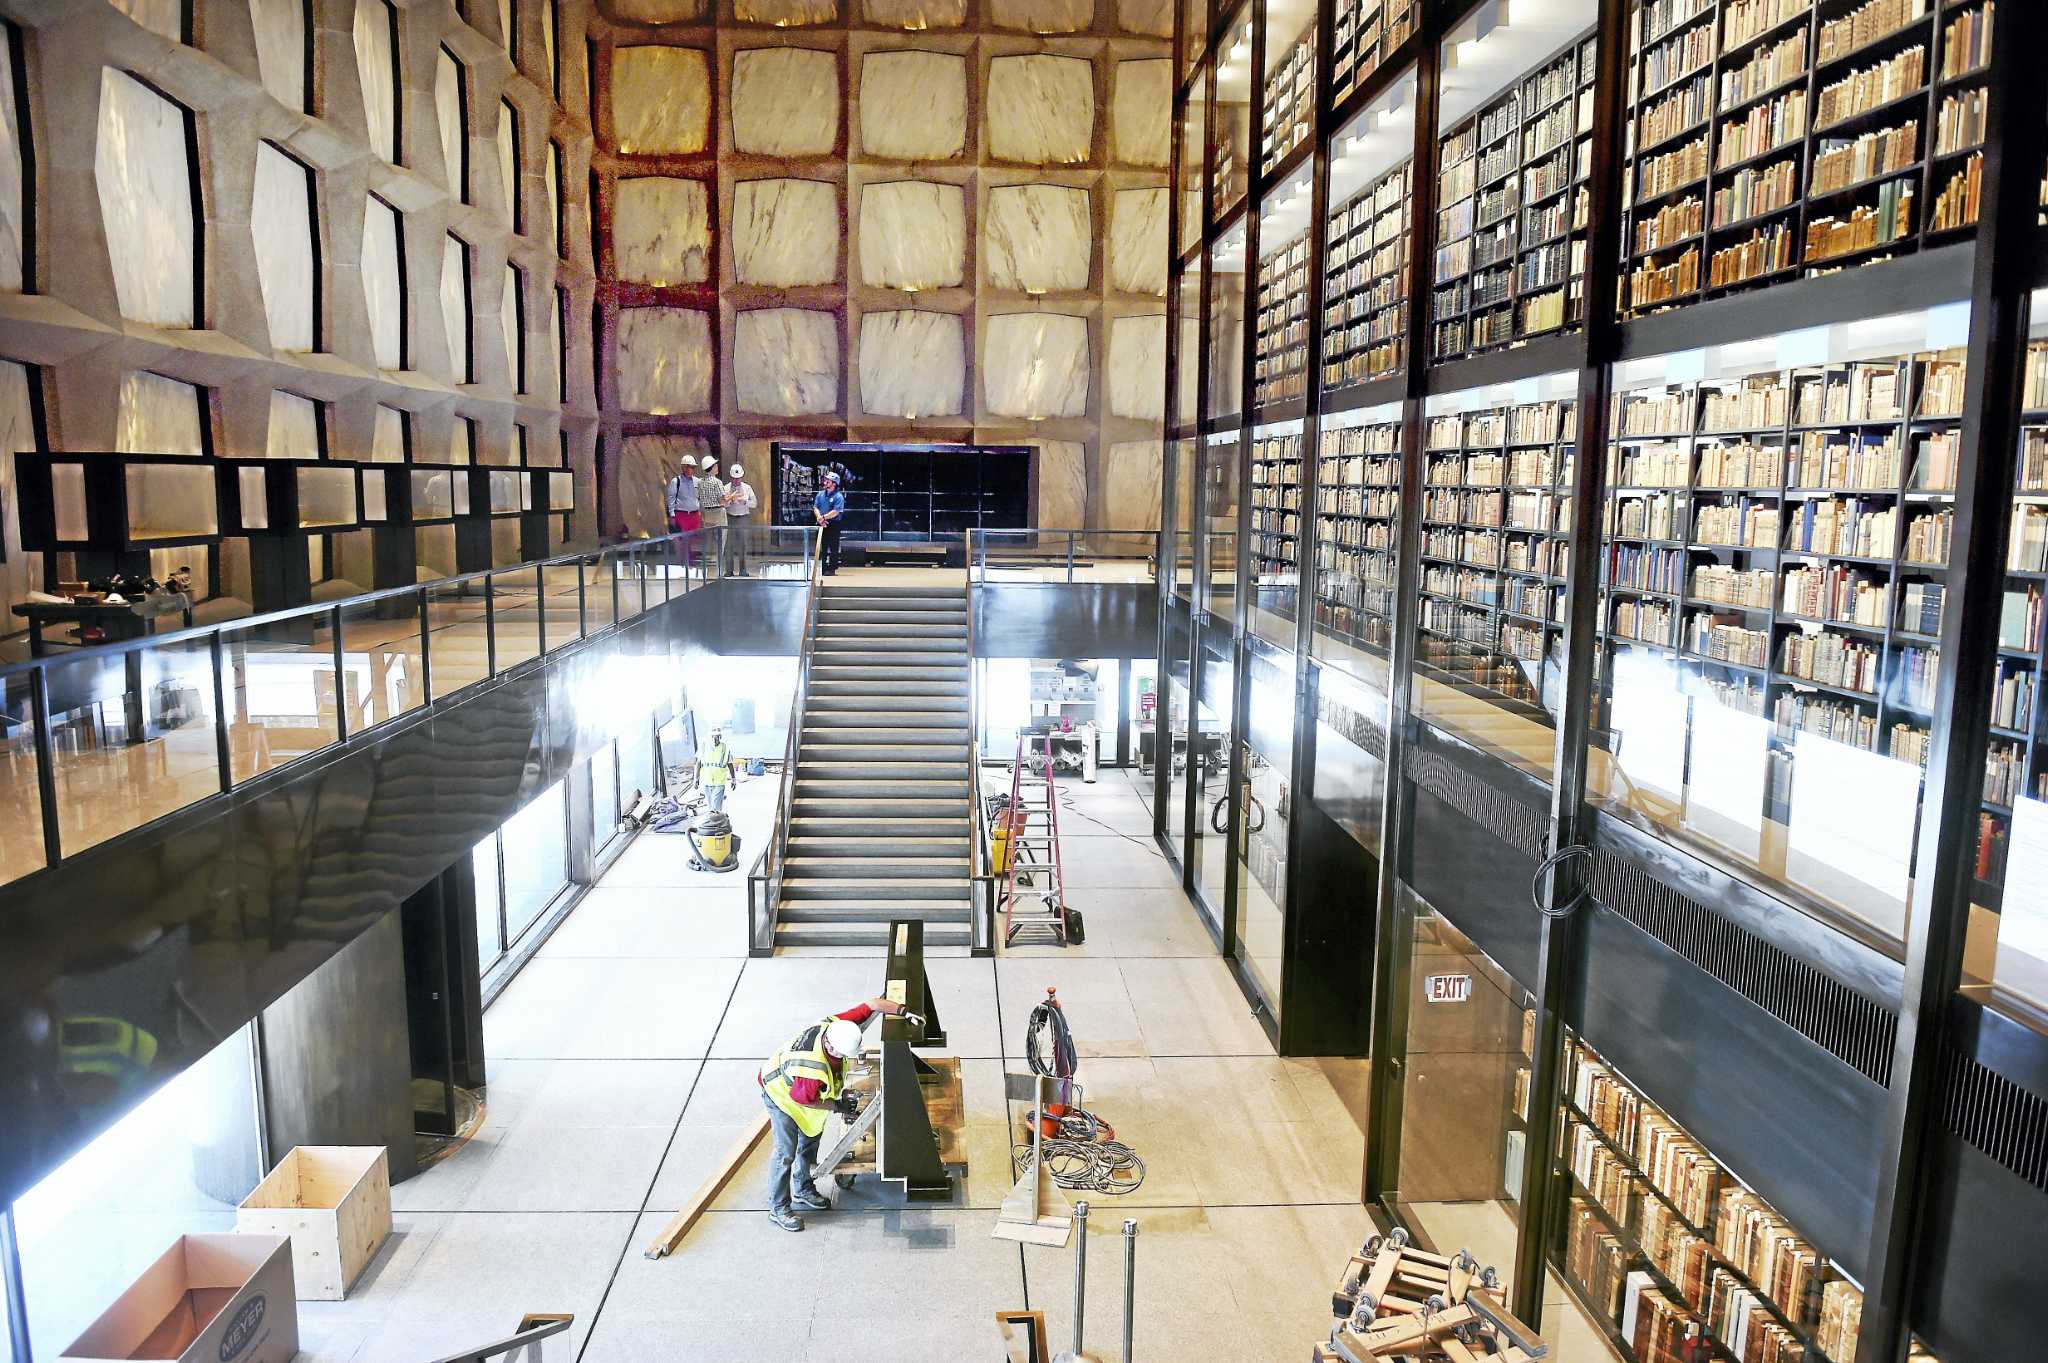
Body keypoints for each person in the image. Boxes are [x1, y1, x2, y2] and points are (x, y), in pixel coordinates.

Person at [758, 995, 907, 1231]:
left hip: (799, 1092)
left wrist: (904, 1011)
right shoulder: (811, 1068)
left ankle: (803, 1188)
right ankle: (778, 1208)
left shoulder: (838, 1027)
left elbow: (873, 1005)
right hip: (781, 1095)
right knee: (785, 1151)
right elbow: (805, 1100)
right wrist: (837, 1106)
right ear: (831, 1048)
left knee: (809, 1139)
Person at [665, 455, 701, 574]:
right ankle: (683, 564)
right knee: (682, 541)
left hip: (694, 515)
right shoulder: (676, 481)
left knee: (693, 540)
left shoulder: (697, 481)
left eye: (693, 467)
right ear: (684, 467)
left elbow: (699, 497)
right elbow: (671, 499)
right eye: (690, 467)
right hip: (682, 515)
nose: (692, 469)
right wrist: (672, 515)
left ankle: (691, 564)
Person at [723, 462, 758, 577]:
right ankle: (729, 570)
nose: (736, 481)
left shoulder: (747, 488)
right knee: (729, 545)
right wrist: (730, 501)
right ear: (731, 477)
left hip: (743, 518)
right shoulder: (726, 488)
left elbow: (755, 503)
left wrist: (745, 502)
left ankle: (743, 569)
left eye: (738, 478)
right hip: (730, 518)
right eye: (734, 478)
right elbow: (722, 504)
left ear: (742, 477)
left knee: (743, 545)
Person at [696, 460, 727, 576]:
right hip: (718, 513)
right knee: (721, 542)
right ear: (712, 467)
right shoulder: (717, 482)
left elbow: (699, 498)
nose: (717, 467)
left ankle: (707, 572)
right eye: (715, 465)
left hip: (706, 514)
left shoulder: (700, 482)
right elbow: (722, 501)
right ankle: (719, 571)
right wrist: (730, 498)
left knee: (709, 542)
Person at [813, 468, 845, 576]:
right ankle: (822, 567)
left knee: (833, 547)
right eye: (826, 480)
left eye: (828, 481)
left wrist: (823, 517)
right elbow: (815, 507)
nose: (825, 482)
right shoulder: (820, 494)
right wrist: (819, 518)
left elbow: (836, 512)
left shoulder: (838, 496)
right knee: (822, 546)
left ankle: (831, 568)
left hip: (833, 525)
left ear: (834, 484)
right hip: (821, 523)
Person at [698, 725, 736, 812]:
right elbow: (698, 763)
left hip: (719, 782)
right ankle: (714, 821)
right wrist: (696, 779)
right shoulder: (704, 747)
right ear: (710, 737)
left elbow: (730, 765)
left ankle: (716, 823)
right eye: (713, 737)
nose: (715, 740)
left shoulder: (725, 748)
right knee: (710, 806)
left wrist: (733, 779)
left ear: (720, 737)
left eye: (717, 737)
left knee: (715, 808)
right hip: (707, 781)